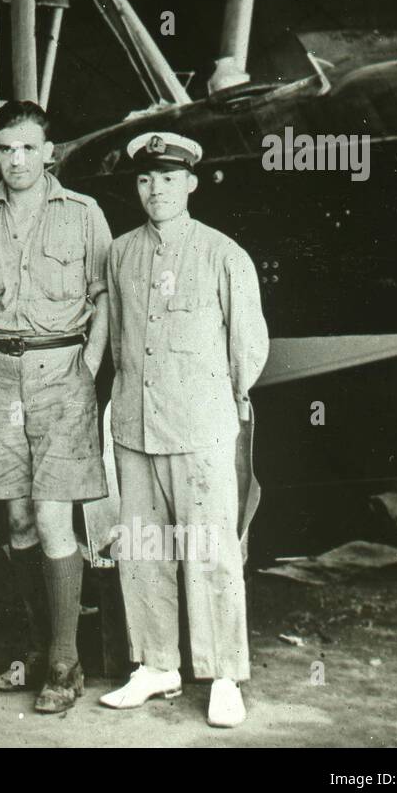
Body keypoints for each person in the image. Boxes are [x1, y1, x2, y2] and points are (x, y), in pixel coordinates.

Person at [99, 132, 269, 729]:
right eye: (145, 180)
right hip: (135, 427)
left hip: (199, 427)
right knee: (143, 549)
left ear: (191, 183)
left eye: (168, 179)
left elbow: (248, 347)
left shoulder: (224, 254)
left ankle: (224, 673)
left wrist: (219, 402)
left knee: (211, 551)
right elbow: (120, 339)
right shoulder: (119, 253)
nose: (155, 190)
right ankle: (156, 665)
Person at [0, 101, 112, 714]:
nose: (16, 160)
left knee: (53, 519)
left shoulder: (83, 214)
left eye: (28, 148)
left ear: (49, 151)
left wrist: (88, 373)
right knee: (18, 520)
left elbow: (104, 301)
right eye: (5, 148)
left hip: (61, 374)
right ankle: (36, 645)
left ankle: (66, 661)